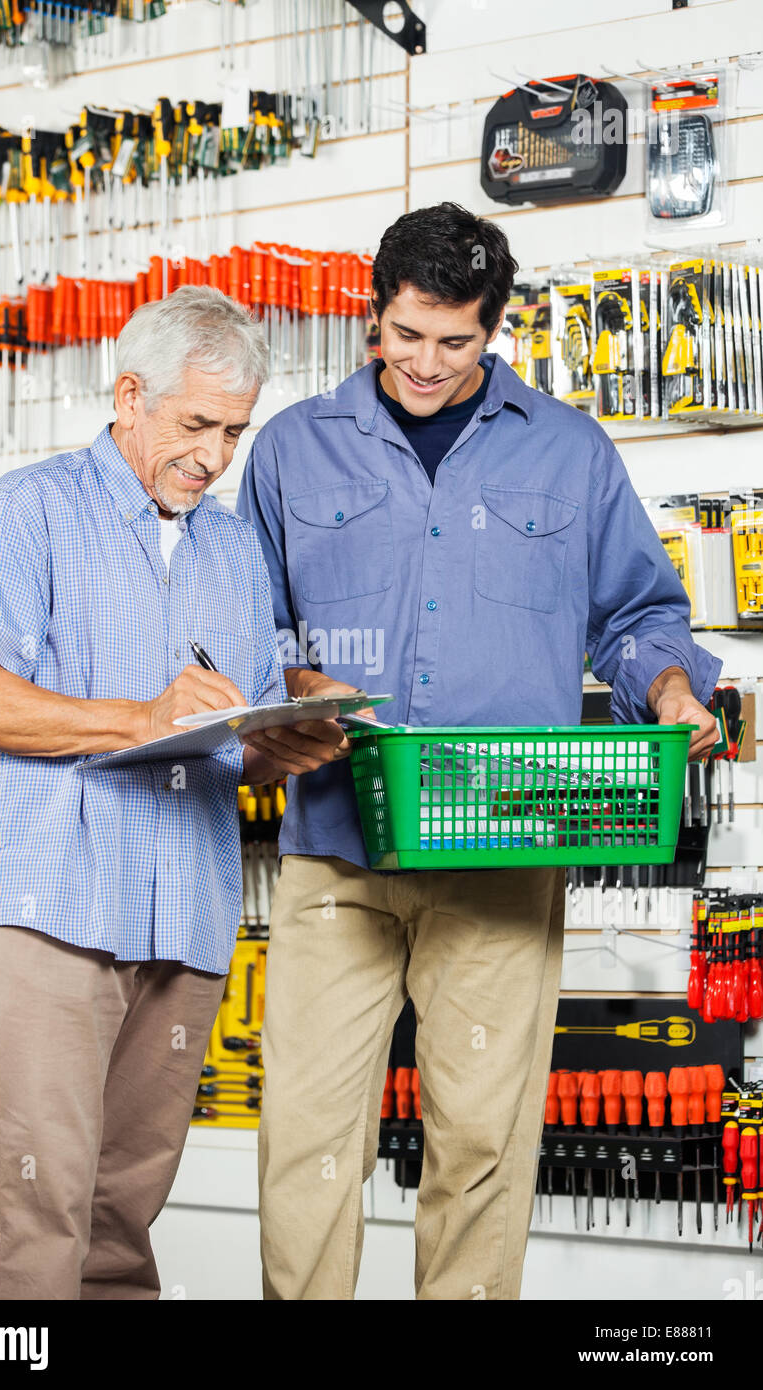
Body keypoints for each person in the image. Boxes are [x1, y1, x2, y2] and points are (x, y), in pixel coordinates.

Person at [237, 203, 721, 1300]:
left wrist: (672, 687)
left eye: (454, 343)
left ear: (493, 330)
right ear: (376, 315)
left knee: (478, 1148)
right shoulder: (289, 451)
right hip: (334, 847)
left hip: (504, 850)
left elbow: (637, 611)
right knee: (305, 1146)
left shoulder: (567, 449)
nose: (424, 363)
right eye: (406, 336)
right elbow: (245, 625)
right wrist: (295, 681)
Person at [0, 286, 344, 1301]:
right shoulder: (25, 513)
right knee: (42, 1213)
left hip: (186, 917)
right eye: (194, 424)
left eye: (234, 432)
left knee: (123, 1222)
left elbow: (224, 737)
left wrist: (279, 742)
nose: (213, 456)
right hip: (55, 910)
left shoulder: (235, 548)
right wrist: (132, 716)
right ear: (128, 395)